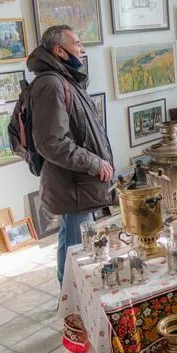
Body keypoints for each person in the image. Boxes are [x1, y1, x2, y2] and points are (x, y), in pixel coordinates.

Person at [27, 25, 115, 283]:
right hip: (72, 184)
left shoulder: (65, 79)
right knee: (80, 250)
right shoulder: (51, 85)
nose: (82, 48)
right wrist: (93, 162)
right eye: (77, 43)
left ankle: (68, 301)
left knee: (71, 242)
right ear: (59, 50)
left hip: (76, 183)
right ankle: (76, 306)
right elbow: (52, 142)